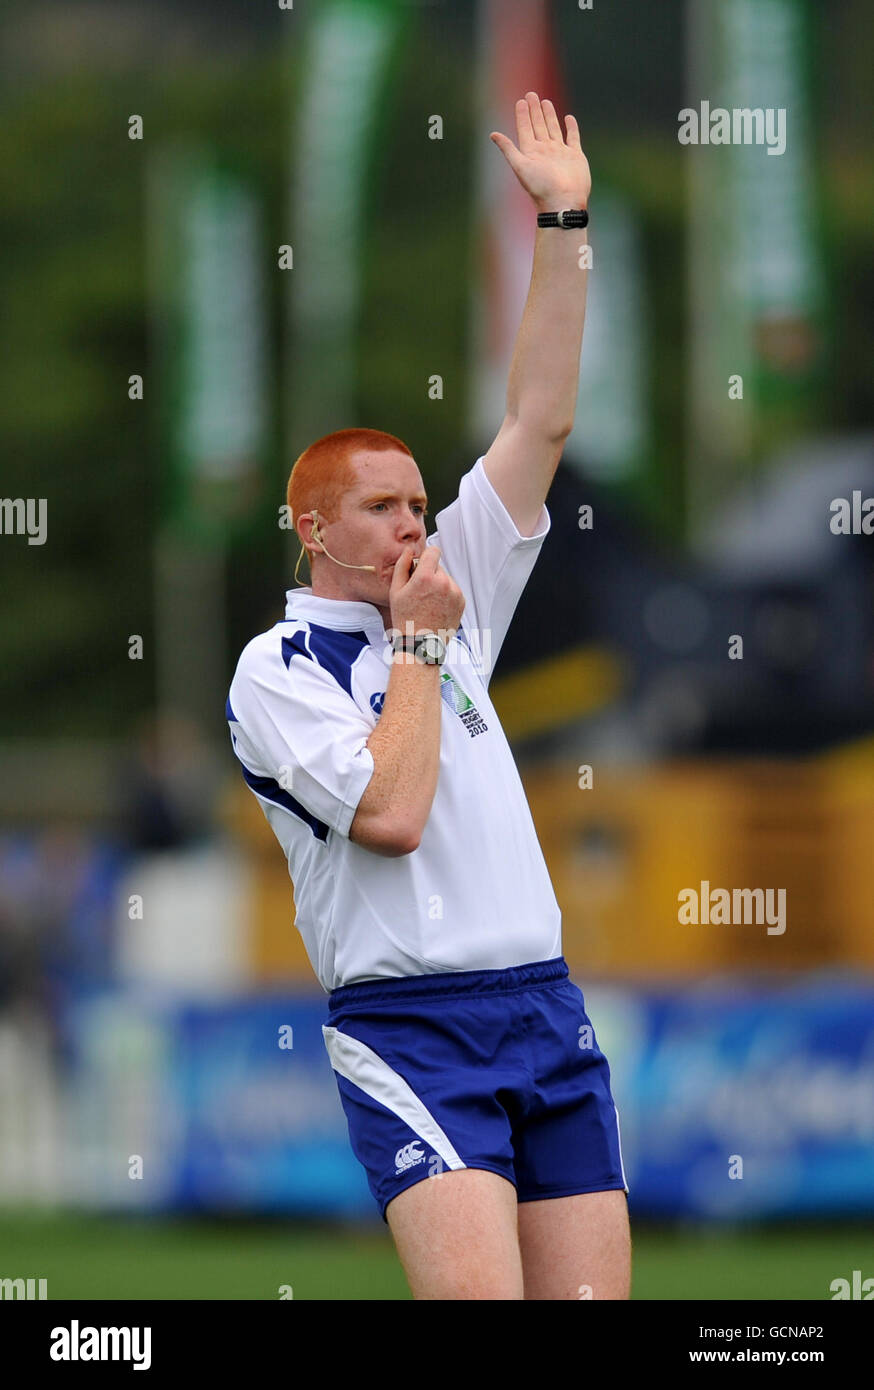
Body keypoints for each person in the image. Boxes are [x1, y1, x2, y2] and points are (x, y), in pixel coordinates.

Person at [227, 92, 630, 1300]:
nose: (414, 524)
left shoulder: (450, 601)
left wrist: (565, 218)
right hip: (416, 1026)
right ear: (312, 529)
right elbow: (391, 815)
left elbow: (538, 417)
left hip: (543, 1005)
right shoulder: (277, 671)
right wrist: (417, 650)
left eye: (419, 502)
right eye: (382, 508)